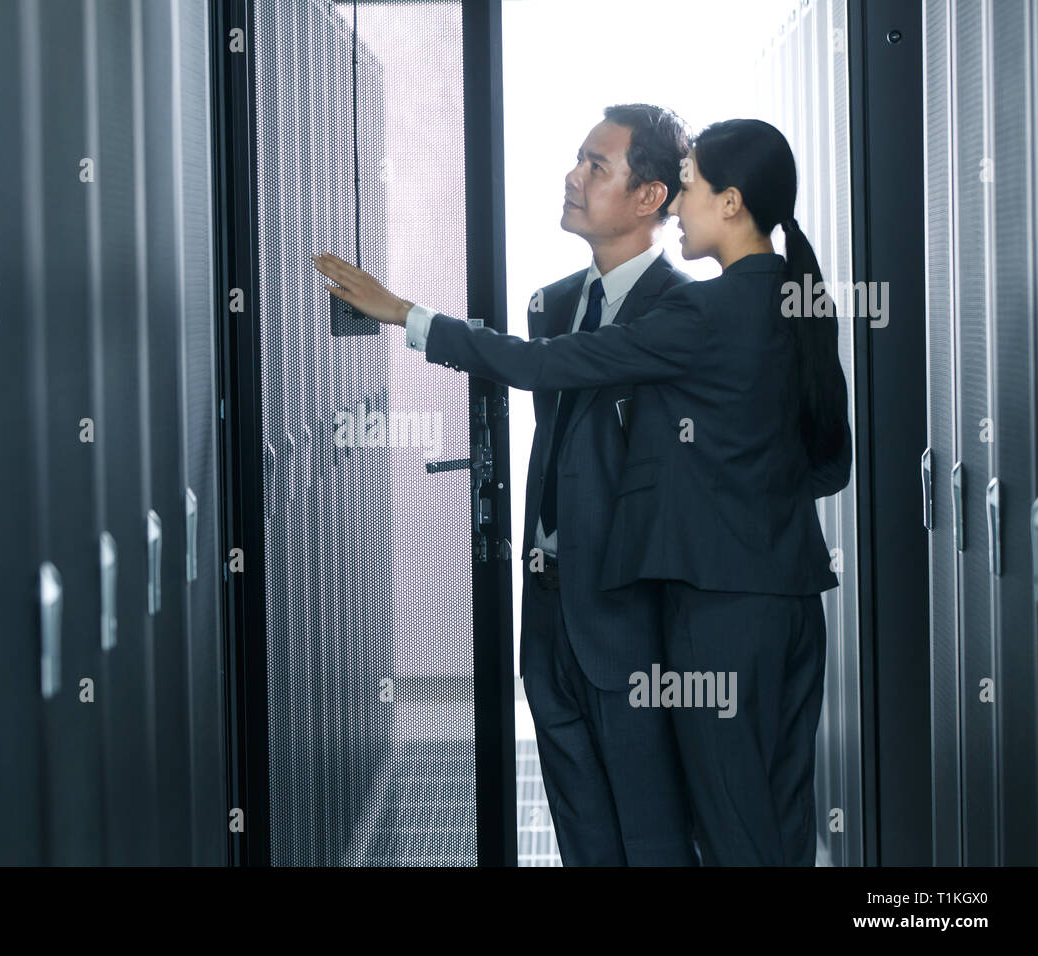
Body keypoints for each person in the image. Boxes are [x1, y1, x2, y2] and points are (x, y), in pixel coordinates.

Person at [311, 117, 853, 866]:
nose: (679, 209)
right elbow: (829, 465)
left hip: (717, 612)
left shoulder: (700, 310)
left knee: (730, 831)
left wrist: (407, 313)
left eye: (689, 189)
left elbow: (540, 365)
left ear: (730, 204)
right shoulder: (798, 306)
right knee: (778, 827)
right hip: (791, 603)